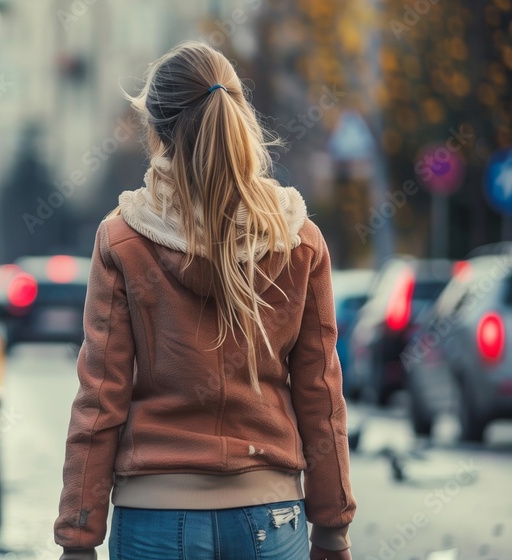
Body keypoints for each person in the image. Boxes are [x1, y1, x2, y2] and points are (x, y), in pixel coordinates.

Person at [53, 41, 357, 560]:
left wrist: (78, 538)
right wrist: (332, 526)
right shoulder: (298, 239)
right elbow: (320, 392)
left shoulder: (124, 240)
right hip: (271, 514)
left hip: (154, 517)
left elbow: (100, 398)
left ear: (157, 131)